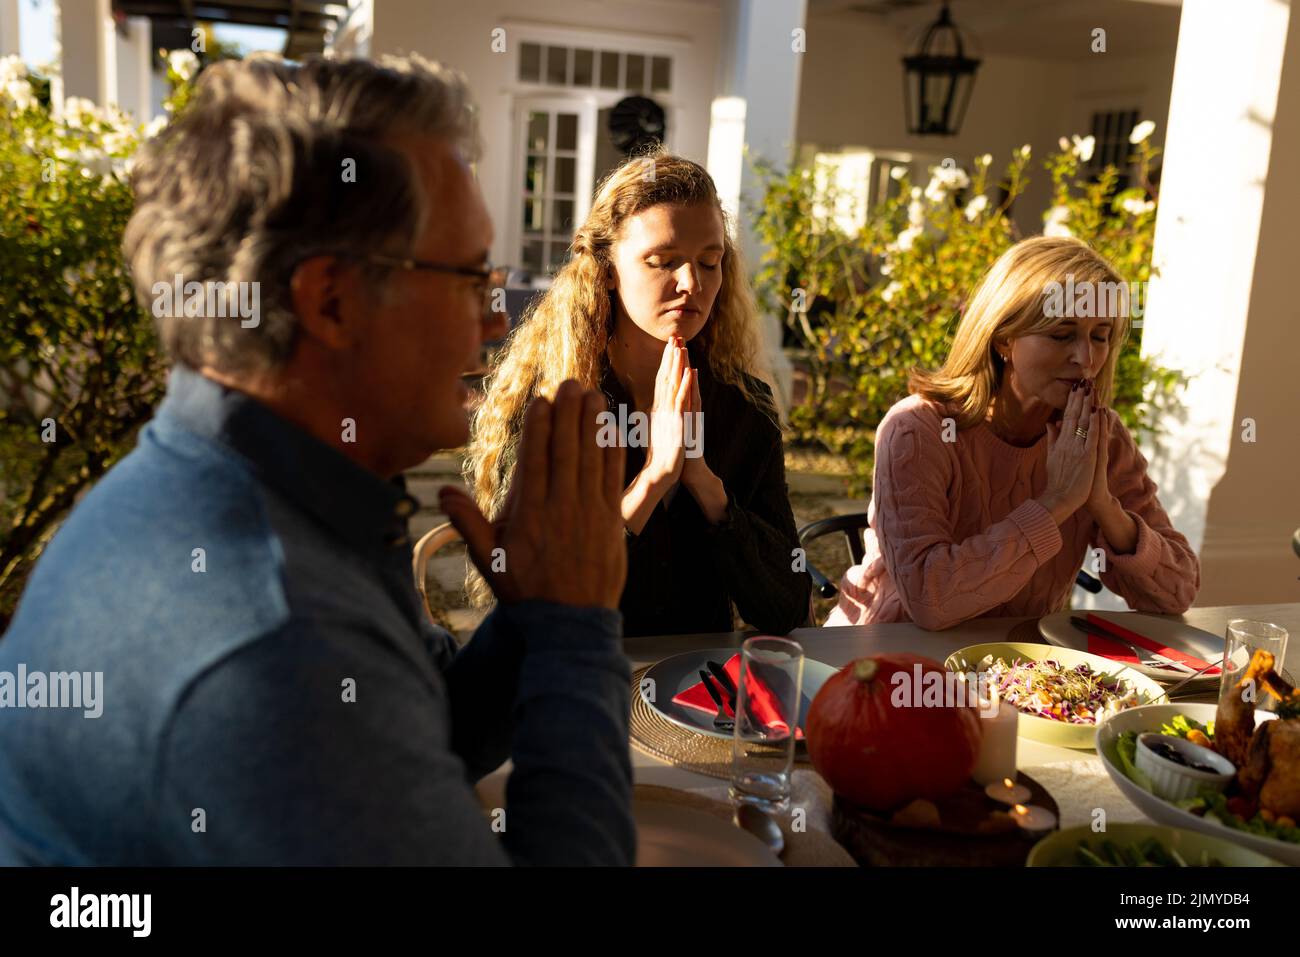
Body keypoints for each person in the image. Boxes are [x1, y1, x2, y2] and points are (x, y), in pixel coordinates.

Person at [0, 53, 634, 865]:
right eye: (473, 276)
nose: (493, 319)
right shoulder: (273, 638)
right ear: (330, 299)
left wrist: (537, 614)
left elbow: (412, 723)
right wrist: (578, 631)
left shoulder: (241, 487)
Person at [466, 153, 810, 638]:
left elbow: (788, 608)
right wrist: (654, 478)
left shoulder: (742, 406)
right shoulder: (552, 400)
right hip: (579, 679)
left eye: (710, 262)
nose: (691, 283)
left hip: (696, 693)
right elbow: (536, 598)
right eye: (662, 261)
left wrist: (706, 485)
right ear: (607, 268)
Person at [825, 236, 1200, 630]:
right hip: (889, 661)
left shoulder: (1099, 436)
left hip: (1016, 675)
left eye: (1100, 335)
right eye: (1061, 334)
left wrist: (1103, 504)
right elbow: (929, 600)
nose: (1086, 358)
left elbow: (1177, 592)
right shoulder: (918, 429)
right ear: (1004, 336)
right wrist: (1056, 501)